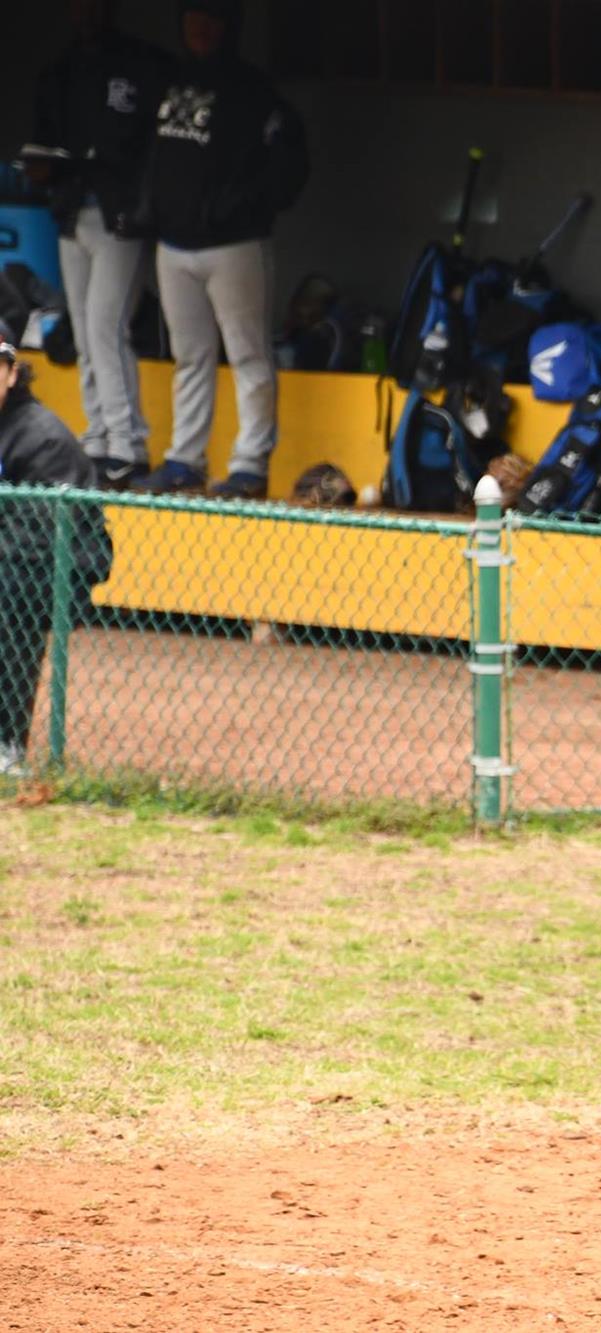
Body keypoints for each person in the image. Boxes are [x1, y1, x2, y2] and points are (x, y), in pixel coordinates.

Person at [132, 0, 308, 501]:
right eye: (192, 17)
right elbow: (150, 158)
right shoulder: (168, 79)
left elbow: (288, 165)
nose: (200, 28)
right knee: (190, 357)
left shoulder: (254, 91)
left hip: (235, 246)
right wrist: (148, 210)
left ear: (230, 26)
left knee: (249, 354)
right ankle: (185, 461)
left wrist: (241, 205)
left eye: (211, 18)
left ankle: (249, 465)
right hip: (173, 245)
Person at [27, 0, 169, 490]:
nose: (86, 15)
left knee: (107, 326)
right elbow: (45, 144)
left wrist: (142, 207)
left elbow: (152, 148)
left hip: (120, 220)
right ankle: (99, 439)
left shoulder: (139, 65)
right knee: (86, 332)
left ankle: (129, 446)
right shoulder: (62, 72)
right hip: (72, 213)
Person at [0, 325, 114, 777]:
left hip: (60, 563)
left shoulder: (40, 435)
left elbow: (43, 531)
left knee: (9, 594)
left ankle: (6, 745)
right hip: (12, 553)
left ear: (12, 373)